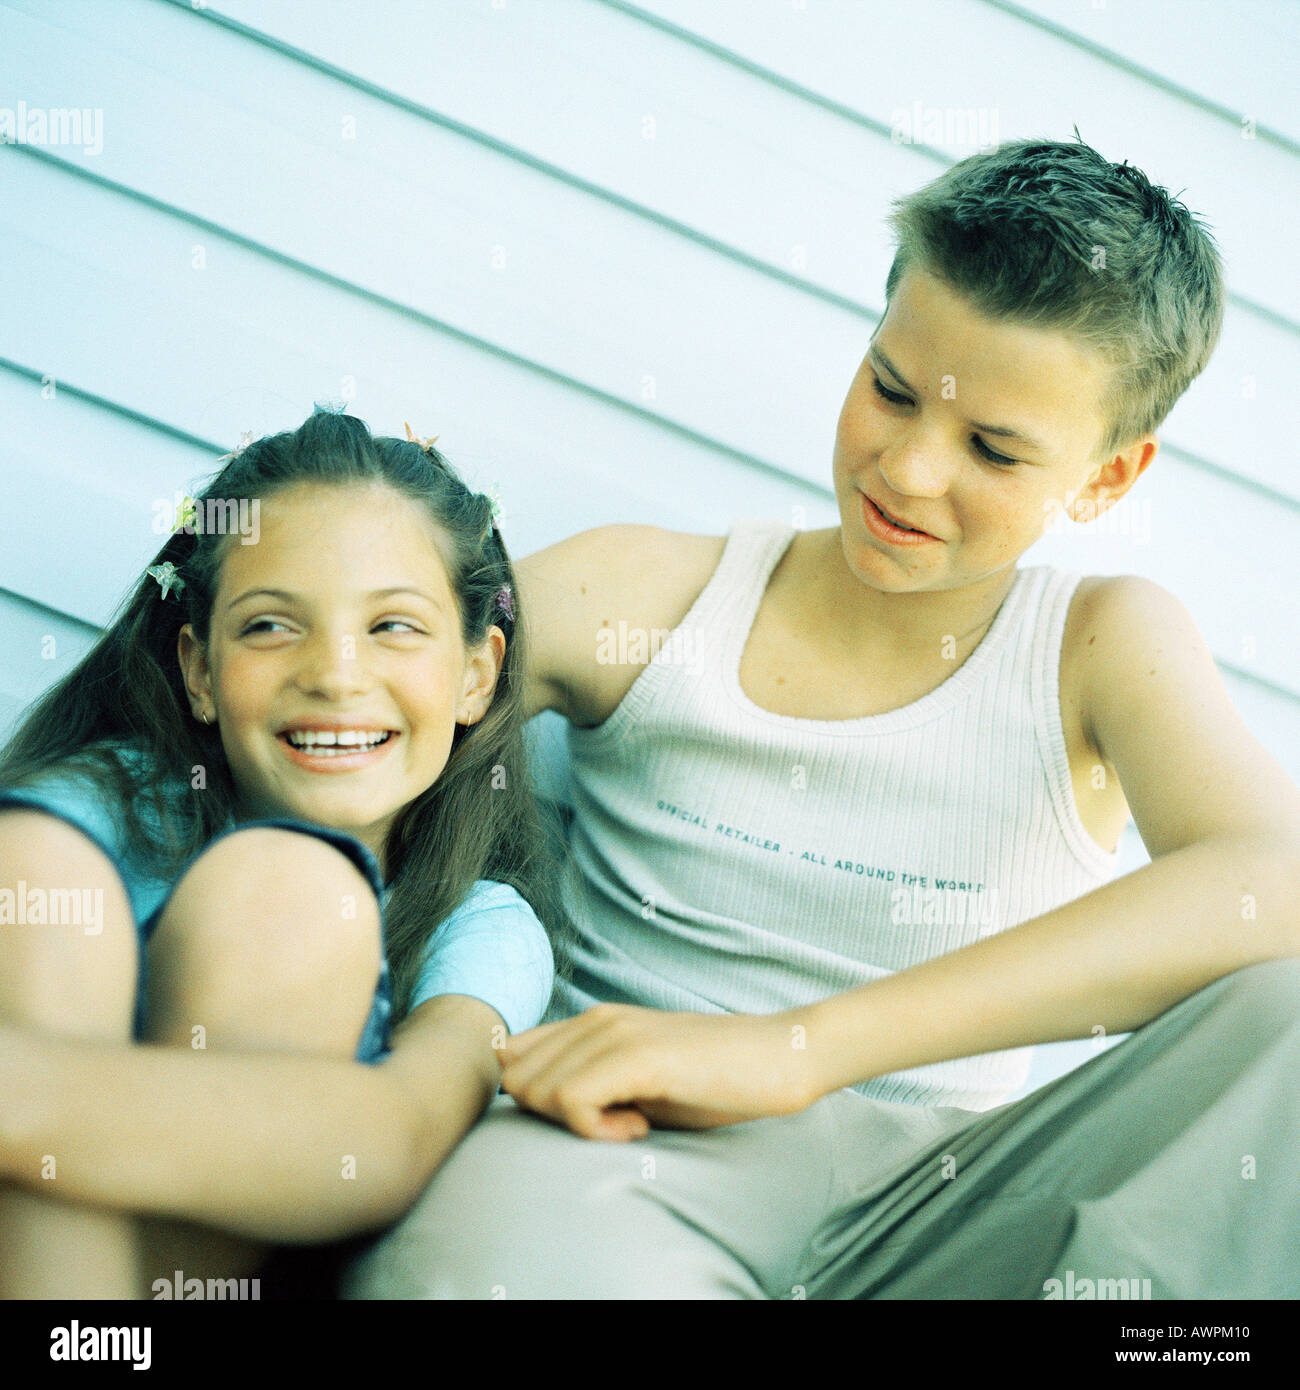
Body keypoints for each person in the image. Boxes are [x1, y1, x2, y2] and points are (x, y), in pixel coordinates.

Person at [341, 137, 1300, 1300]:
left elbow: (1274, 881)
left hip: (958, 1205)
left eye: (992, 447)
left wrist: (796, 1051)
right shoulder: (649, 594)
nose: (906, 468)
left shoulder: (1102, 644)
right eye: (891, 388)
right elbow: (342, 688)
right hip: (624, 1154)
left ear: (1104, 479)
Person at [0, 408, 560, 1299]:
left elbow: (394, 1140)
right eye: (268, 626)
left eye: (394, 627)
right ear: (198, 670)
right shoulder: (102, 805)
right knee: (37, 866)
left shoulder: (483, 925)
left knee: (295, 890)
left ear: (475, 675)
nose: (335, 675)